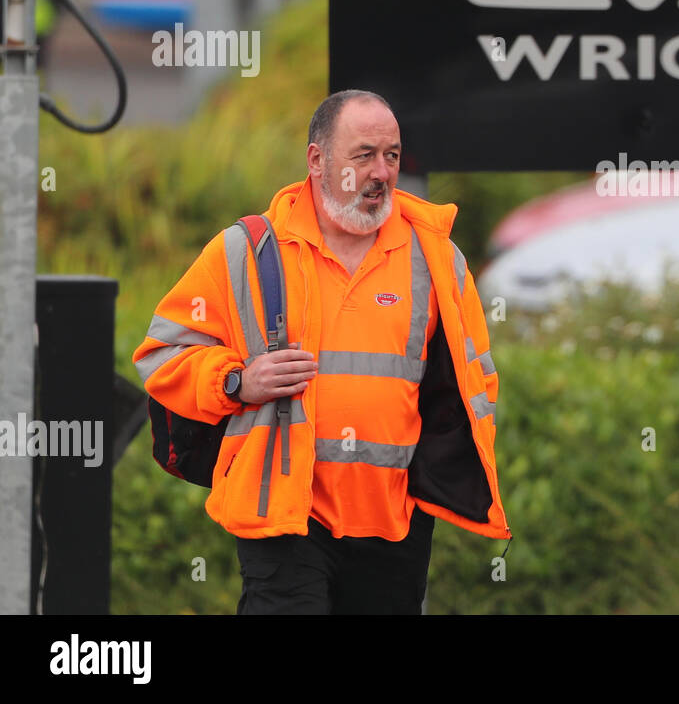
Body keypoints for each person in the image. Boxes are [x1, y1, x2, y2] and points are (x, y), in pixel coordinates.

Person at [133, 89, 508, 614]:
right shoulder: (247, 249)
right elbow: (162, 353)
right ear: (317, 161)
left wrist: (443, 475)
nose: (382, 171)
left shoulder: (437, 257)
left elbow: (476, 381)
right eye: (364, 155)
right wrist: (237, 381)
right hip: (284, 521)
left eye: (393, 155)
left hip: (393, 524)